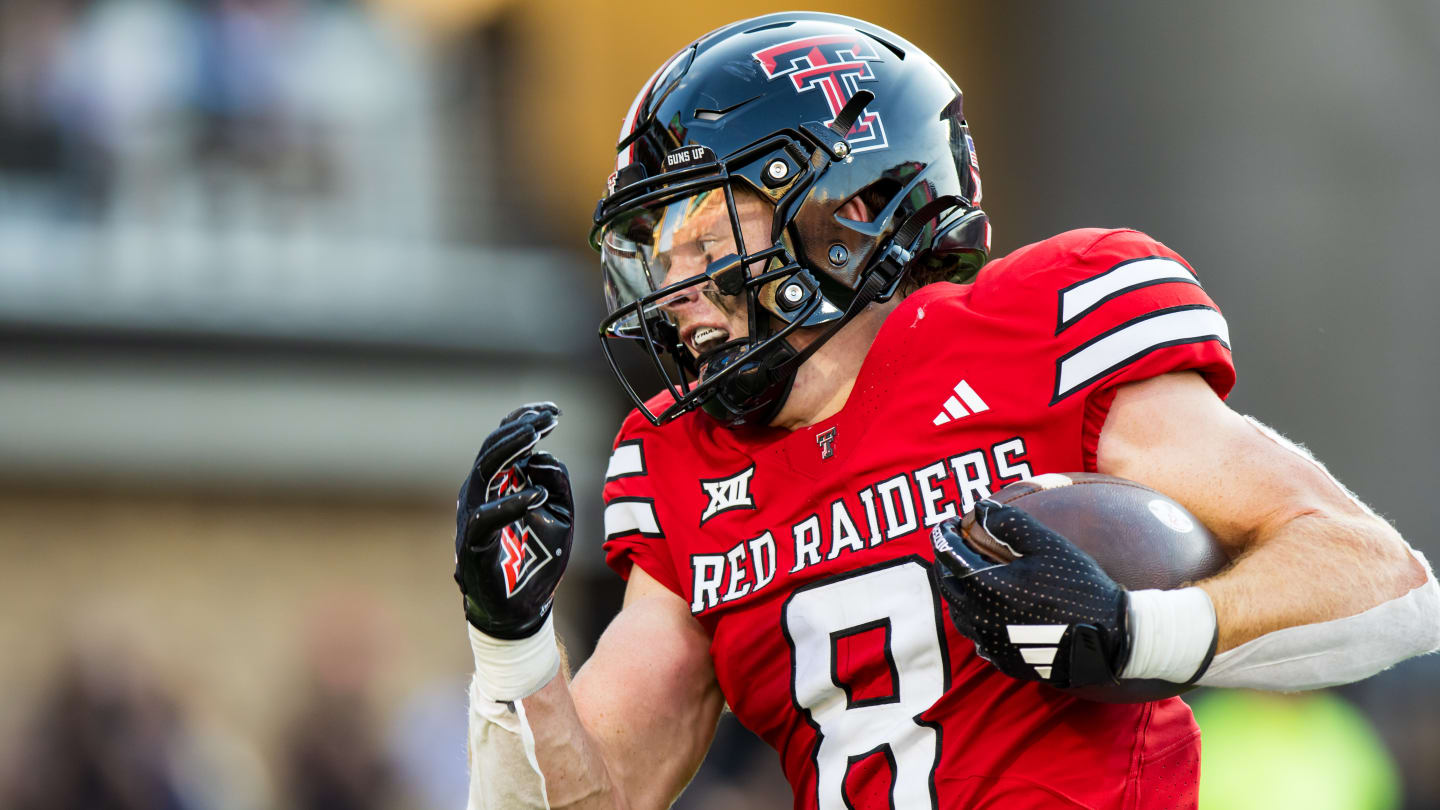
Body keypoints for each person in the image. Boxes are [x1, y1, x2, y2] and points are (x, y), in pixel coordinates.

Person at [451, 12, 1440, 809]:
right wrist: (511, 646)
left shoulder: (1032, 330)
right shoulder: (685, 460)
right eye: (656, 248)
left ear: (842, 204)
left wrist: (1136, 633)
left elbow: (1386, 586)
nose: (674, 283)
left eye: (705, 228)